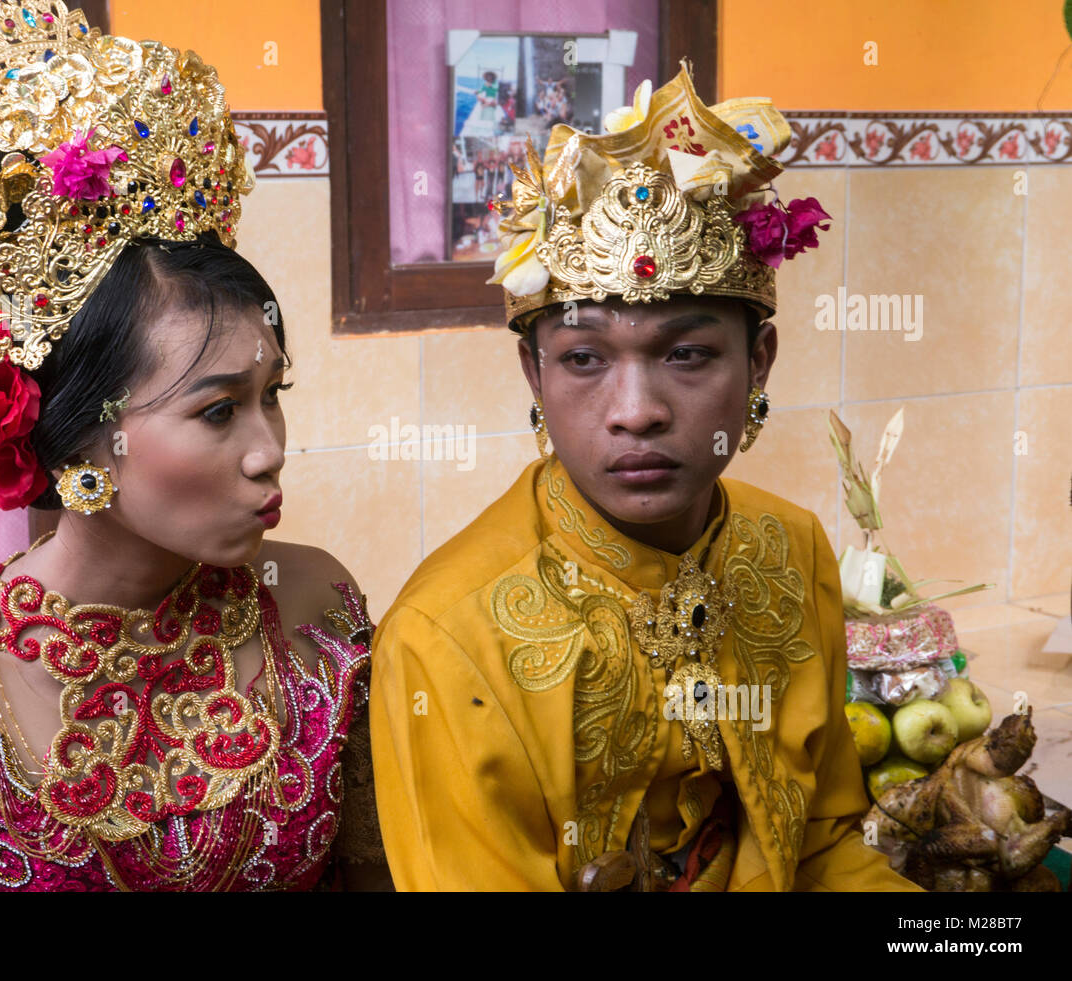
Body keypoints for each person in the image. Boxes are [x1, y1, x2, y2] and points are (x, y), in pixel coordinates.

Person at [0, 3, 388, 892]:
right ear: (82, 431)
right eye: (216, 410)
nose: (270, 449)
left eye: (271, 395)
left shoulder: (318, 607)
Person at [369, 63, 921, 892]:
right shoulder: (446, 635)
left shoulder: (792, 549)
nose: (636, 411)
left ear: (757, 363)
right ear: (535, 377)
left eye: (688, 354)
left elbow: (821, 846)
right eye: (585, 360)